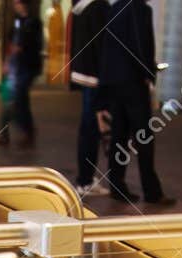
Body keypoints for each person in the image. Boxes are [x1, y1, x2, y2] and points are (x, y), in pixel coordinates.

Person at [98, 0, 173, 204]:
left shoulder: (115, 7)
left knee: (119, 135)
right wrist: (149, 73)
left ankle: (117, 186)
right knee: (144, 136)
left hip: (114, 81)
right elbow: (141, 44)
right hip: (133, 82)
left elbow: (106, 47)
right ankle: (152, 192)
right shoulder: (140, 9)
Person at [68, 0, 111, 194]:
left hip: (83, 74)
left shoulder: (79, 8)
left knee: (88, 128)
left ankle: (85, 178)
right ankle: (85, 180)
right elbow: (103, 45)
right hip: (95, 77)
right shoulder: (99, 7)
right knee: (91, 129)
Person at [0, 0, 44, 145]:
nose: (15, 5)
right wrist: (7, 62)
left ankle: (23, 132)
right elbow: (13, 42)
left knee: (17, 100)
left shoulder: (33, 23)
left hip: (25, 67)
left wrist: (21, 48)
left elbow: (31, 45)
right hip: (16, 67)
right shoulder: (18, 21)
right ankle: (20, 132)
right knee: (15, 100)